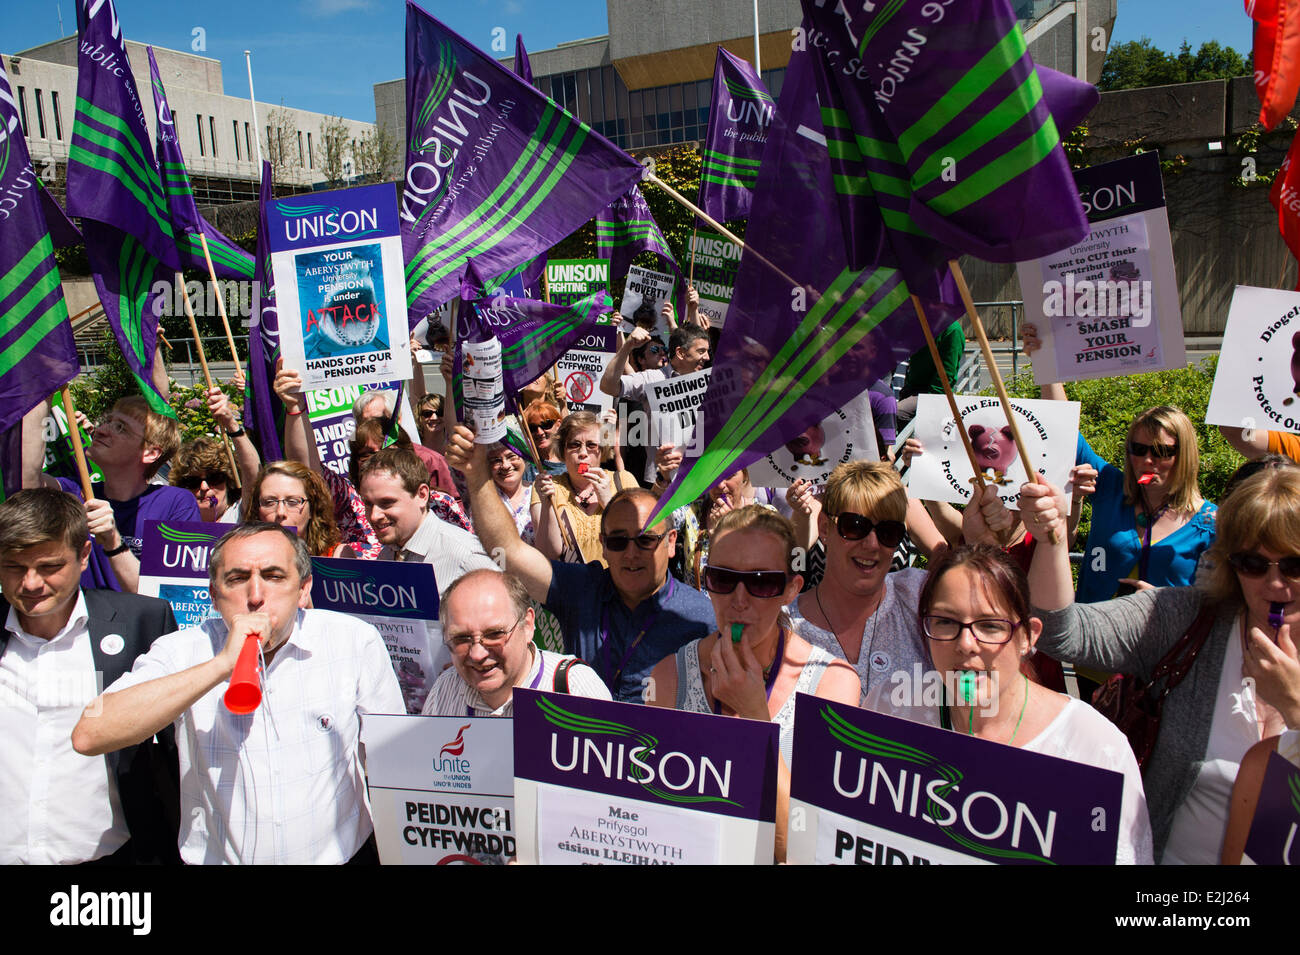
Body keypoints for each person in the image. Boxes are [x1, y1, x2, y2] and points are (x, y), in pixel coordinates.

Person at [72, 523, 404, 864]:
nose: (256, 595)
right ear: (214, 595)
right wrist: (220, 666)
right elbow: (90, 734)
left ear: (304, 588)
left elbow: (393, 760)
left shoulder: (353, 641)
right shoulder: (181, 651)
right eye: (237, 578)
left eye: (274, 576)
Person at [1024, 467, 1300, 863]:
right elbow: (1058, 633)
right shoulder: (1185, 619)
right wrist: (1051, 538)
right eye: (1254, 564)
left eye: (1294, 566)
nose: (1275, 584)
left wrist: (1294, 709)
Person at [912, 543, 1153, 864]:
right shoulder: (891, 711)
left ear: (1028, 636)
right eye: (945, 621)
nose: (966, 644)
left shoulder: (1094, 749)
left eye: (990, 625)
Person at [446, 424, 715, 703]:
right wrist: (476, 473)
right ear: (603, 544)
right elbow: (509, 552)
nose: (632, 553)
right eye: (618, 542)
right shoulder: (582, 588)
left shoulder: (701, 618)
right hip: (579, 740)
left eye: (646, 540)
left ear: (671, 542)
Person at [0, 489, 181, 865]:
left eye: (49, 567)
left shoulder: (141, 623)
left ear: (84, 556)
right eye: (15, 567)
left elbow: (175, 743)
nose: (31, 583)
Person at [645, 506, 858, 764]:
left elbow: (808, 806)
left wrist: (753, 713)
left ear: (791, 590)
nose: (739, 600)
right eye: (722, 579)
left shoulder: (832, 681)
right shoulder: (670, 676)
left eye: (761, 582)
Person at [785, 461, 930, 707]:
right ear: (824, 528)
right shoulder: (784, 627)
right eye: (855, 526)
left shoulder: (920, 599)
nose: (872, 544)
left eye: (888, 532)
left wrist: (983, 538)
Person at [27, 396, 199, 593]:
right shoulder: (77, 492)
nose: (100, 430)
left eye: (120, 428)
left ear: (151, 453)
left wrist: (113, 541)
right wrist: (42, 396)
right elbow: (28, 480)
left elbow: (172, 597)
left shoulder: (175, 503)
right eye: (107, 421)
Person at [421, 569, 610, 716]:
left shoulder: (575, 691)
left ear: (527, 625)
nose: (477, 654)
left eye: (494, 634)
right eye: (462, 638)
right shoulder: (445, 689)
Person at [359, 446, 497, 593]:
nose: (374, 515)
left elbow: (512, 613)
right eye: (368, 504)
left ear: (422, 495)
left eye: (387, 503)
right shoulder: (387, 555)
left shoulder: (467, 557)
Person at [532, 411, 638, 565]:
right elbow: (549, 554)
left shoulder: (623, 480)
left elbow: (641, 536)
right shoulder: (548, 486)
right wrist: (547, 503)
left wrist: (608, 503)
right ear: (563, 451)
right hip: (571, 585)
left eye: (591, 445)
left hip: (618, 584)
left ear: (602, 449)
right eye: (574, 445)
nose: (582, 453)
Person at [353, 388, 459, 501]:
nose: (372, 427)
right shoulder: (358, 461)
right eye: (365, 422)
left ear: (398, 420)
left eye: (378, 420)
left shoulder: (429, 460)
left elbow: (455, 504)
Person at [243, 460, 349, 557]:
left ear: (312, 509)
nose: (280, 512)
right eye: (270, 502)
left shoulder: (337, 557)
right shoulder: (245, 560)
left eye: (292, 502)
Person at [170, 438, 238, 523]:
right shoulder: (173, 522)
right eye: (193, 481)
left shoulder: (239, 515)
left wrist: (235, 431)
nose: (204, 487)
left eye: (214, 478)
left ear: (228, 480)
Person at [489, 442, 535, 545]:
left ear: (524, 457)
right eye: (496, 460)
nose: (505, 465)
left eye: (511, 456)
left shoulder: (540, 493)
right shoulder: (484, 499)